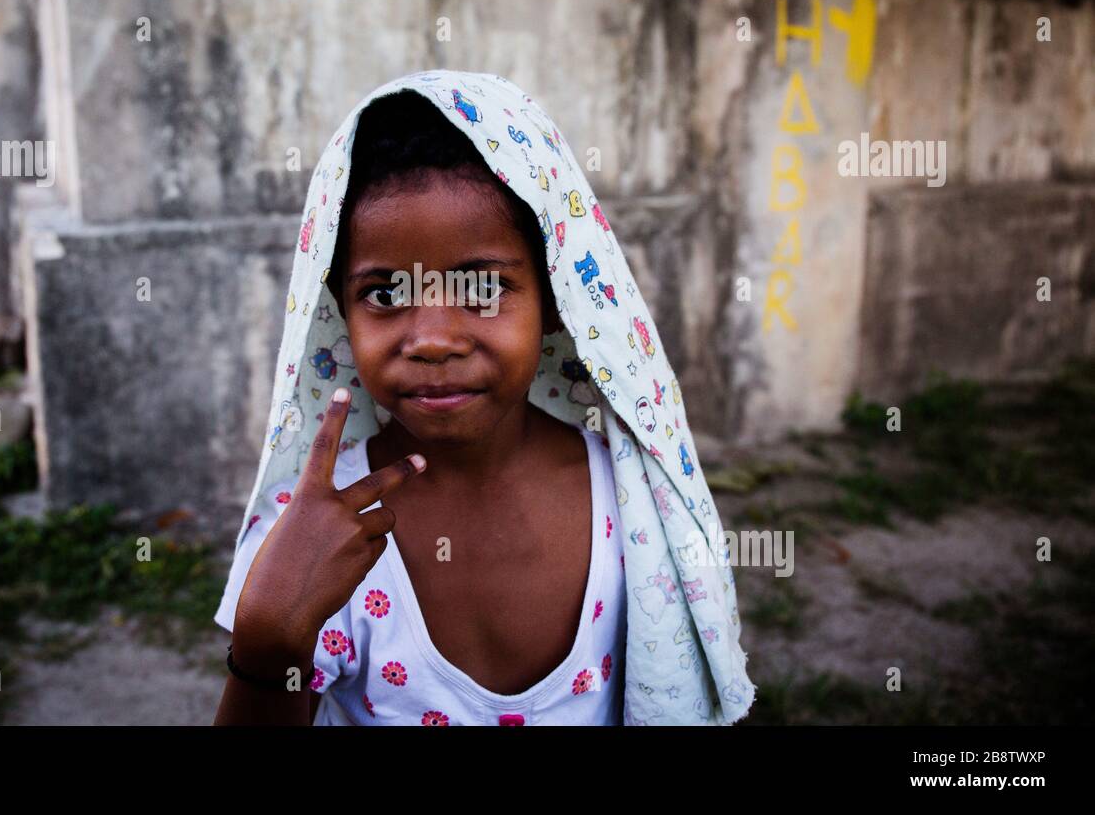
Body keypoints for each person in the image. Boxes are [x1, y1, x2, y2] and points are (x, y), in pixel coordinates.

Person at [213, 71, 754, 725]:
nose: (434, 340)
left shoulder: (629, 500)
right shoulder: (317, 527)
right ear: (341, 315)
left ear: (557, 303)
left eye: (482, 288)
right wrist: (271, 638)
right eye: (385, 293)